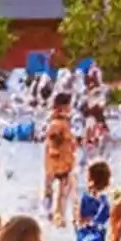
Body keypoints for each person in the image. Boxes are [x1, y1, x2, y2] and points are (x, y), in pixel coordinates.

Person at [43, 92, 77, 227]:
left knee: (53, 189)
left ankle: (52, 213)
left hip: (57, 162)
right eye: (69, 105)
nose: (70, 108)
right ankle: (55, 215)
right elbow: (53, 138)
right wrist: (57, 150)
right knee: (60, 191)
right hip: (59, 162)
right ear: (63, 107)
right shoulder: (58, 123)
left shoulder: (60, 122)